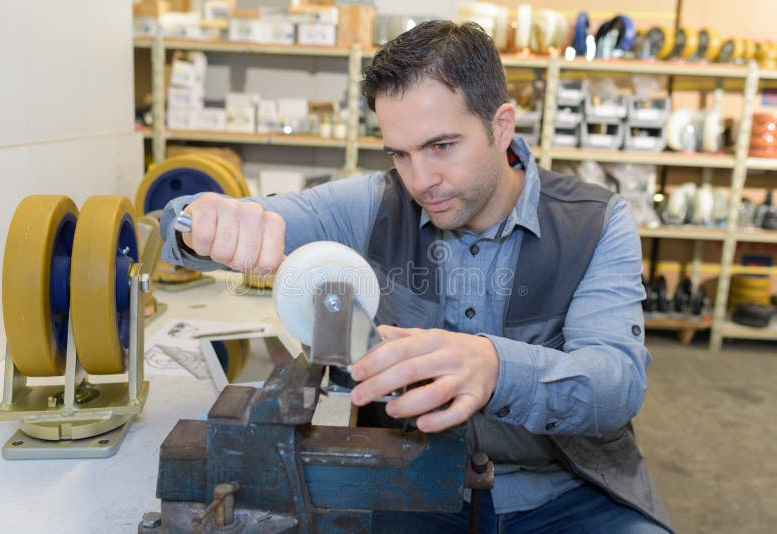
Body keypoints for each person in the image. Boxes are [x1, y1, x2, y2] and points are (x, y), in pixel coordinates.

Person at [160, 20, 671, 534]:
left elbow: (617, 383)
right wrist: (200, 222)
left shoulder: (597, 221)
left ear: (501, 126)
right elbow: (195, 222)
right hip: (410, 483)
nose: (421, 180)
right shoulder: (375, 203)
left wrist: (496, 368)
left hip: (567, 490)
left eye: (442, 146)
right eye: (400, 154)